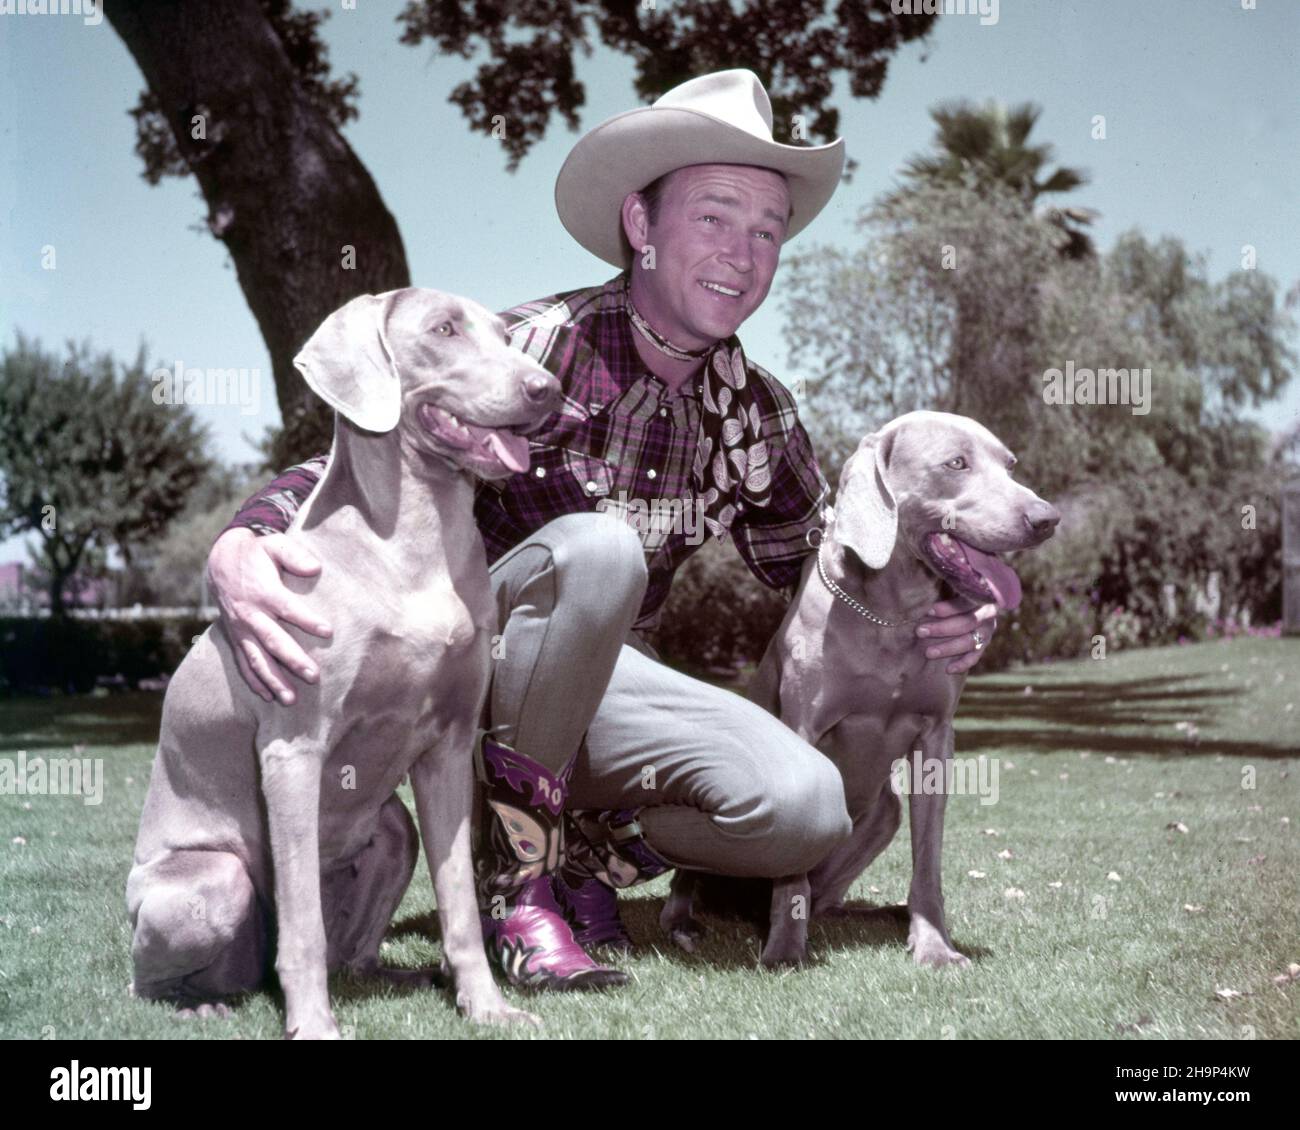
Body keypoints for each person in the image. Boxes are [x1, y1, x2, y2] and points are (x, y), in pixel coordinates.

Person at [207, 70, 999, 992]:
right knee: (600, 550)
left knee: (808, 804)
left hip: (615, 695)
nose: (742, 254)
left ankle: (588, 856)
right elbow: (341, 467)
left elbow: (828, 574)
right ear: (640, 227)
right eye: (714, 217)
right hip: (474, 674)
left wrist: (952, 606)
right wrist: (238, 546)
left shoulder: (761, 415)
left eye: (767, 230)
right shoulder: (535, 348)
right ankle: (518, 890)